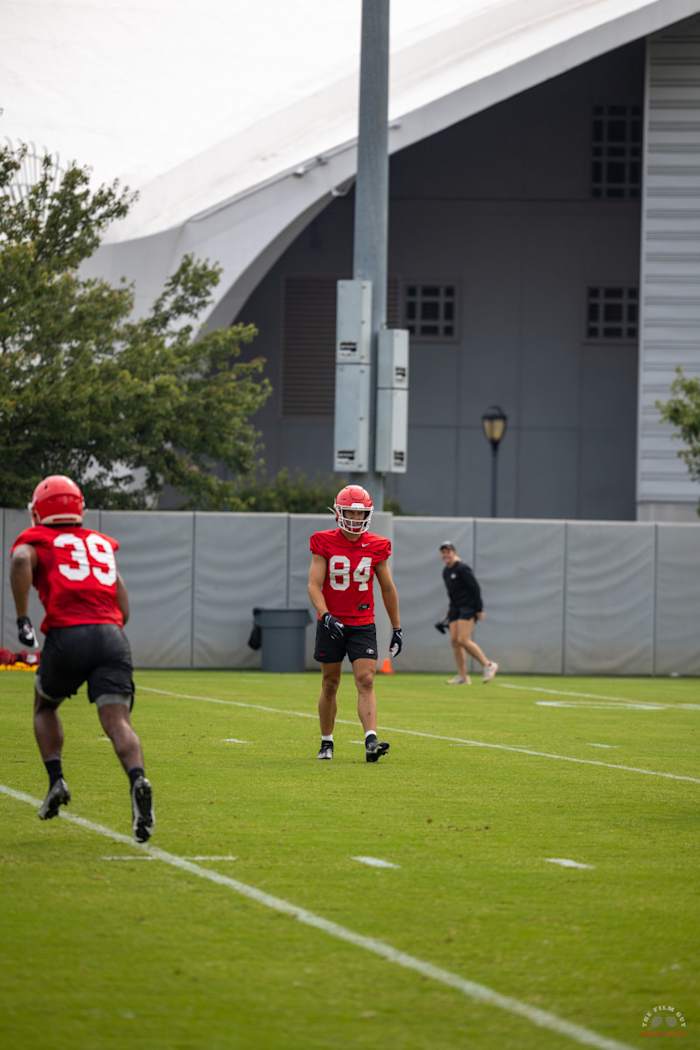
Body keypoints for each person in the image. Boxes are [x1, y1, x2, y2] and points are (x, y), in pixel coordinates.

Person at [9, 474, 154, 842]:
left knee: (45, 706)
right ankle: (138, 778)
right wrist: (108, 632)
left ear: (40, 510)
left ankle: (56, 779)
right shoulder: (99, 543)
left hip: (68, 634)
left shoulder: (38, 539)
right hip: (111, 636)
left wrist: (24, 618)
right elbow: (123, 600)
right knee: (117, 720)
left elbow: (20, 560)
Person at [308, 484, 402, 763]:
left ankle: (370, 739)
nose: (354, 518)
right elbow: (314, 585)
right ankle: (327, 741)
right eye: (349, 512)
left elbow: (387, 589)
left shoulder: (377, 545)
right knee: (330, 682)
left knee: (366, 679)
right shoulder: (323, 541)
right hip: (332, 622)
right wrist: (326, 616)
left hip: (362, 622)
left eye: (359, 513)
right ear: (338, 512)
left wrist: (397, 627)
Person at [437, 541, 498, 685]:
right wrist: (447, 615)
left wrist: (479, 609)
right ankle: (463, 677)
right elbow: (451, 595)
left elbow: (475, 588)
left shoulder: (463, 568)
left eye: (448, 551)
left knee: (463, 639)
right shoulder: (446, 571)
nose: (446, 554)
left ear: (454, 552)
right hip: (455, 609)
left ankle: (488, 665)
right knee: (454, 642)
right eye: (443, 552)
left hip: (468, 607)